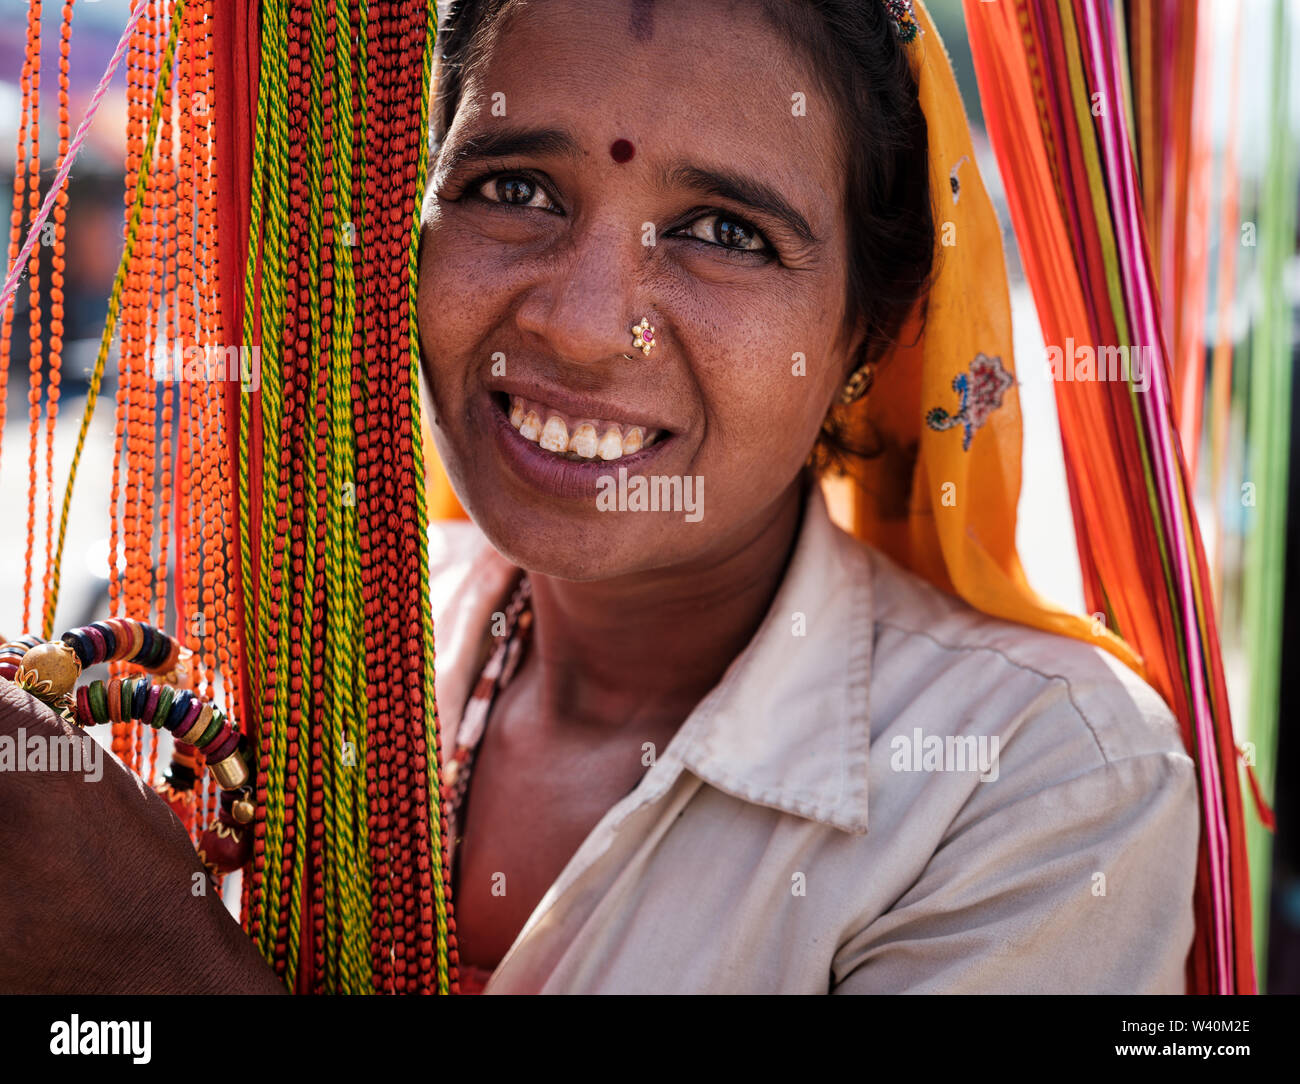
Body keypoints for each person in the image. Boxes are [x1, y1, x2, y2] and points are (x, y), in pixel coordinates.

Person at [0, 0, 1197, 994]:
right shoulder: (296, 640)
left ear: (866, 338)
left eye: (724, 230)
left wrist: (153, 961)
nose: (578, 325)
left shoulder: (1044, 783)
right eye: (514, 190)